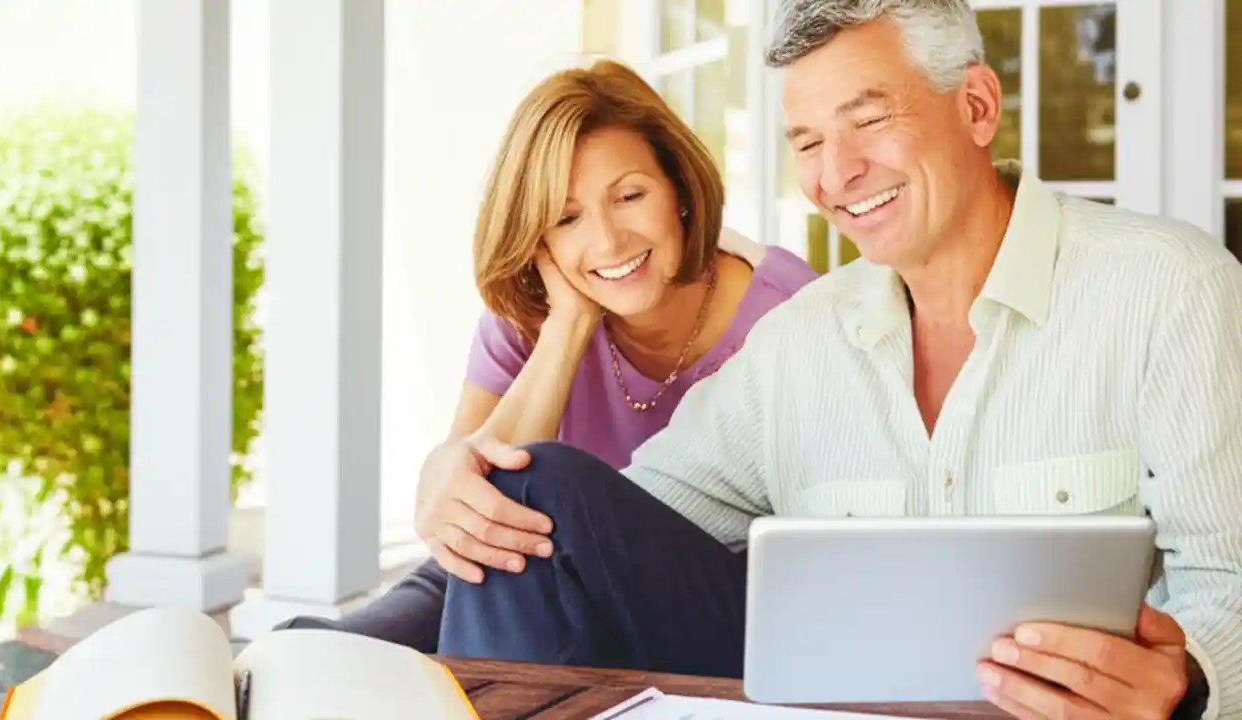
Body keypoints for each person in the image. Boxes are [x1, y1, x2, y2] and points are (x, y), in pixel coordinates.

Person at [424, 2, 1242, 719]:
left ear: (977, 105)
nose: (838, 173)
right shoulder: (796, 345)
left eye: (870, 119)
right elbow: (592, 533)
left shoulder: (1169, 289)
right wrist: (453, 480)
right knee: (531, 495)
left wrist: (1189, 684)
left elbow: (1229, 586)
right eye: (809, 141)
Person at [275, 59, 816, 652]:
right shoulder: (533, 315)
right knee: (314, 653)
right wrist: (568, 328)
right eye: (567, 218)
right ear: (540, 239)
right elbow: (471, 498)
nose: (609, 241)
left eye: (630, 196)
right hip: (529, 565)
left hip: (705, 602)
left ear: (680, 192)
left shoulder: (786, 313)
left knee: (530, 510)